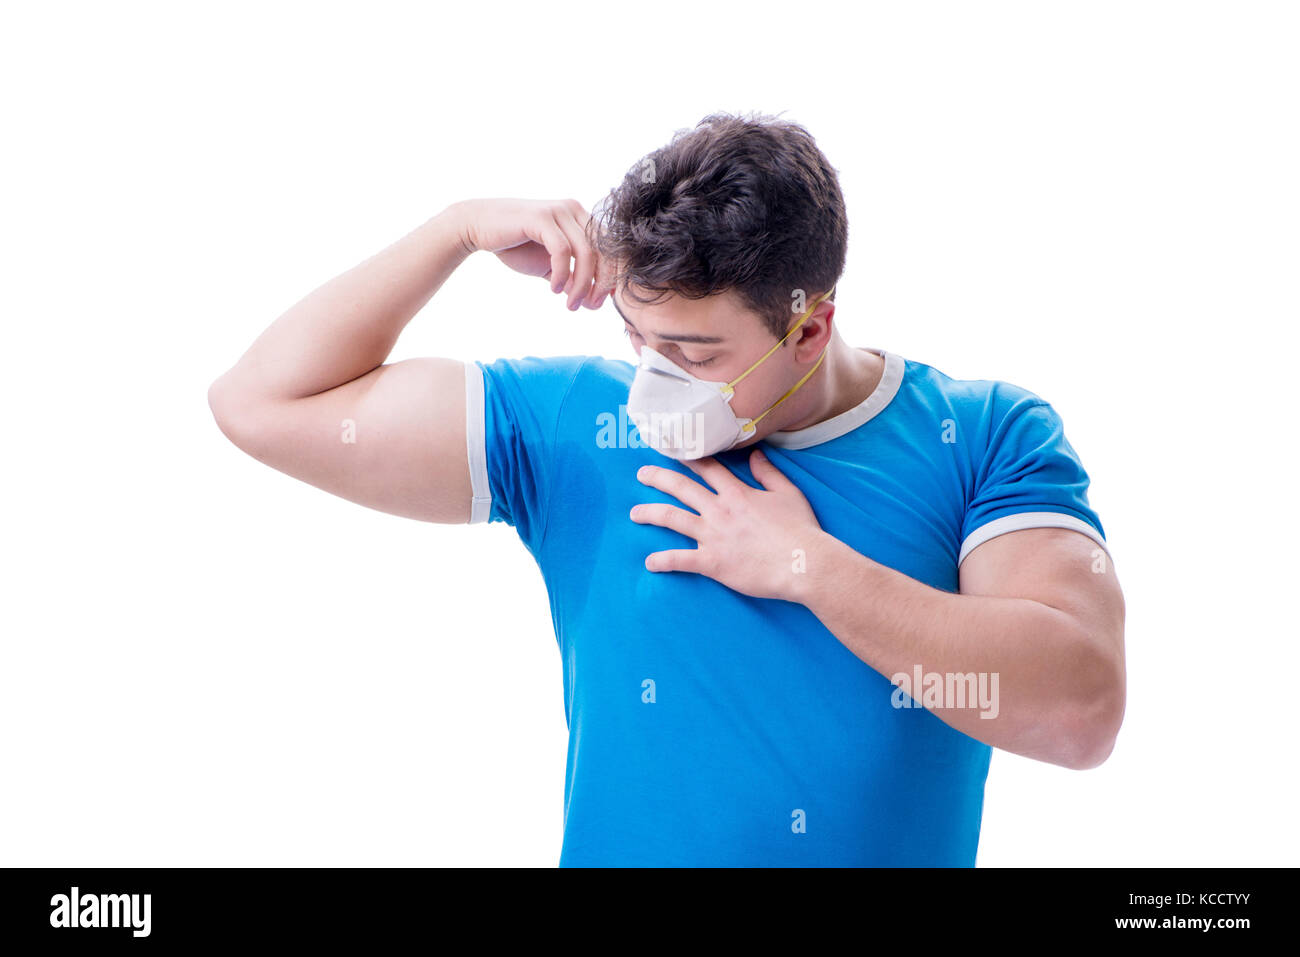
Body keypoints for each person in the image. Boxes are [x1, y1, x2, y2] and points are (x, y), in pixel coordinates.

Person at [207, 112, 1126, 867]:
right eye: (638, 338)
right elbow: (263, 403)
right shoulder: (571, 423)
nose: (654, 383)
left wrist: (808, 566)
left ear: (810, 330)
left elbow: (1081, 711)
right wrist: (453, 230)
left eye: (694, 354)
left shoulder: (986, 435)